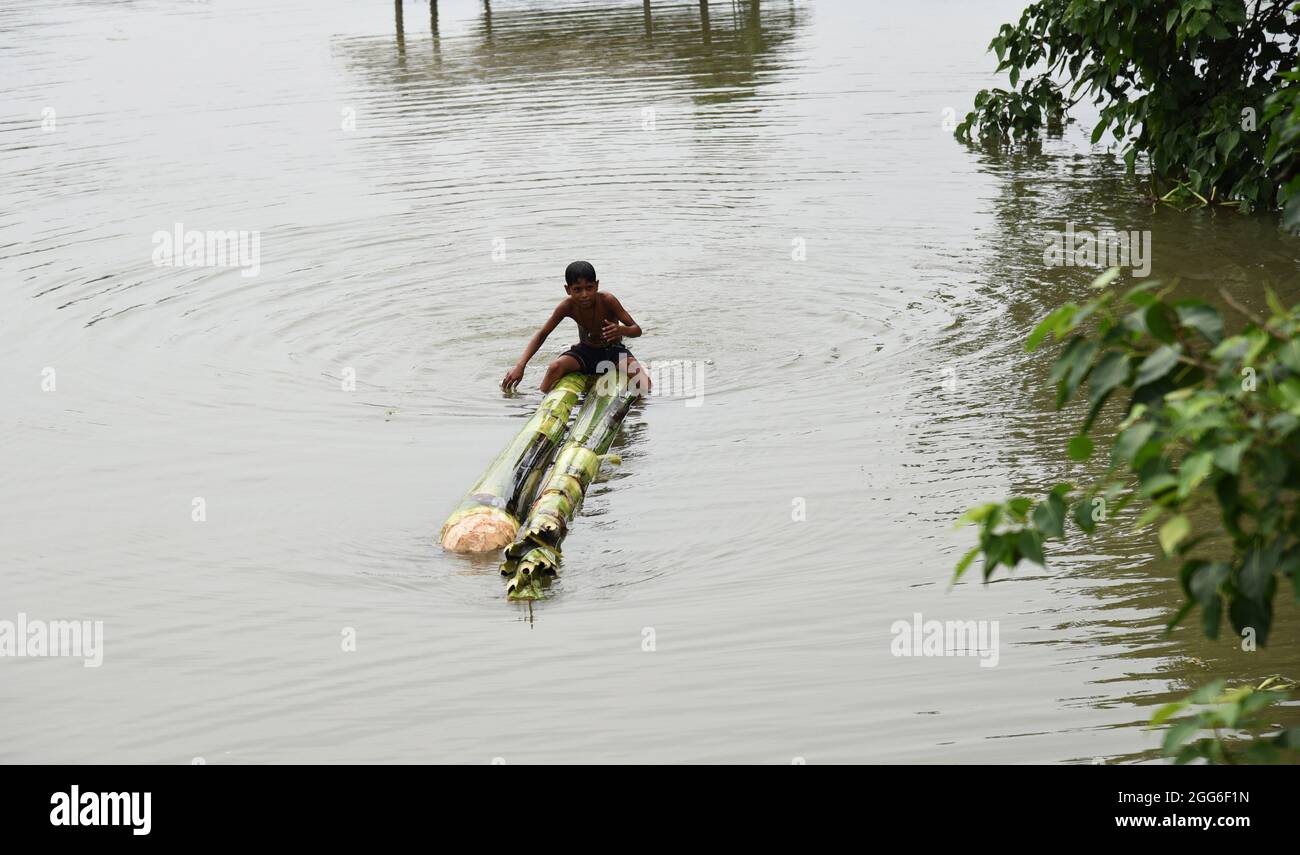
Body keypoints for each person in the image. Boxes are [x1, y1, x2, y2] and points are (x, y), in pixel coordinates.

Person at [500, 260, 651, 393]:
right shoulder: (567, 307)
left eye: (589, 288)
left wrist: (621, 330)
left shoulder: (608, 300)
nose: (584, 294)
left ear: (597, 285)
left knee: (645, 384)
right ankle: (544, 404)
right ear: (568, 290)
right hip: (586, 352)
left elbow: (636, 330)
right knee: (554, 367)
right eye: (577, 289)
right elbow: (542, 334)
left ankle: (635, 409)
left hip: (612, 351)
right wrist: (520, 365)